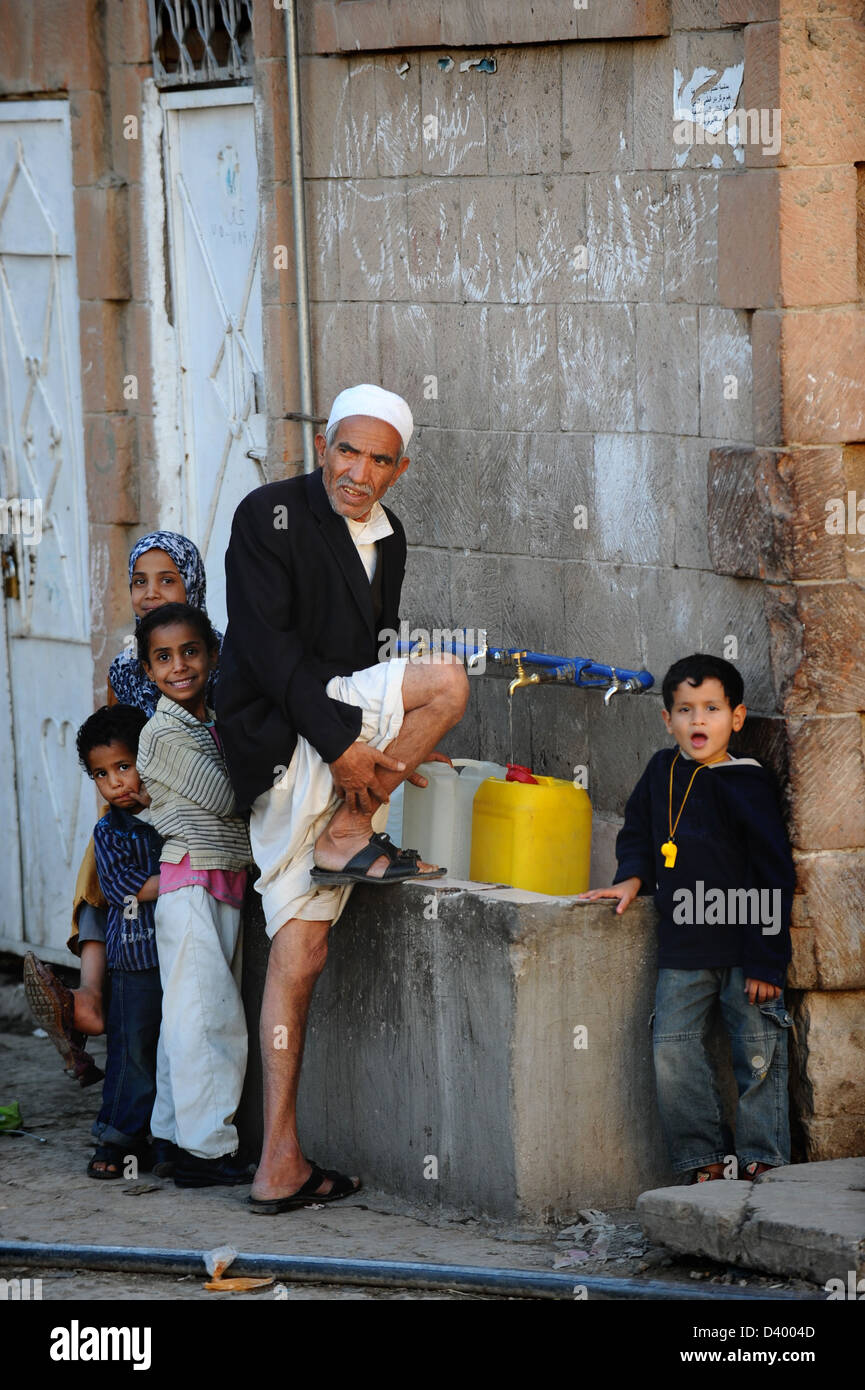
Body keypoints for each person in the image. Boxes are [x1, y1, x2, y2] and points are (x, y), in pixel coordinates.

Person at [216, 383, 469, 1213]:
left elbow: (376, 647)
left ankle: (277, 1165)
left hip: (340, 727)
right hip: (280, 738)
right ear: (323, 443)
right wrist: (348, 749)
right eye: (346, 450)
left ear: (402, 468)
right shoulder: (269, 515)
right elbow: (263, 649)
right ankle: (349, 828)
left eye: (378, 459)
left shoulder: (388, 537)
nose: (357, 472)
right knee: (450, 685)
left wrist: (392, 751)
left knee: (303, 950)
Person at [580, 653, 796, 1184]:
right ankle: (702, 1162)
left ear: (736, 718)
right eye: (685, 709)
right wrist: (631, 877)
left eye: (712, 709)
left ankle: (763, 1161)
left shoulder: (747, 782)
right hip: (683, 947)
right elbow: (637, 832)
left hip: (746, 949)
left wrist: (767, 959)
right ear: (667, 719)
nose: (698, 721)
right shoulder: (661, 772)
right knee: (672, 1051)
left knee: (758, 1053)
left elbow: (774, 870)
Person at [23, 532, 222, 1085]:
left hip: (192, 812)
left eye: (167, 580)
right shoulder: (126, 667)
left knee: (111, 857)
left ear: (193, 585)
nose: (151, 593)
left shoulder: (217, 658)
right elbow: (111, 745)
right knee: (105, 846)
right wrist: (123, 795)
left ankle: (89, 998)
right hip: (137, 810)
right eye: (140, 581)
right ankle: (89, 994)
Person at [136, 602, 252, 1188]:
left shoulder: (205, 721)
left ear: (210, 655)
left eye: (190, 652)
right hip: (192, 886)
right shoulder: (162, 734)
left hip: (218, 882)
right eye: (164, 658)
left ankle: (173, 1138)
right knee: (211, 1019)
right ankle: (209, 1153)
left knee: (187, 1016)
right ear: (148, 669)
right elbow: (230, 793)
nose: (179, 666)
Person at [73, 704, 166, 1178]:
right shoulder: (109, 831)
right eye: (101, 774)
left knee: (170, 1051)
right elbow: (121, 888)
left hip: (177, 954)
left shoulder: (170, 814)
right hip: (134, 962)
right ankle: (115, 1140)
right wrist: (180, 877)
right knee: (131, 1052)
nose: (116, 782)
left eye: (124, 766)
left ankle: (163, 1141)